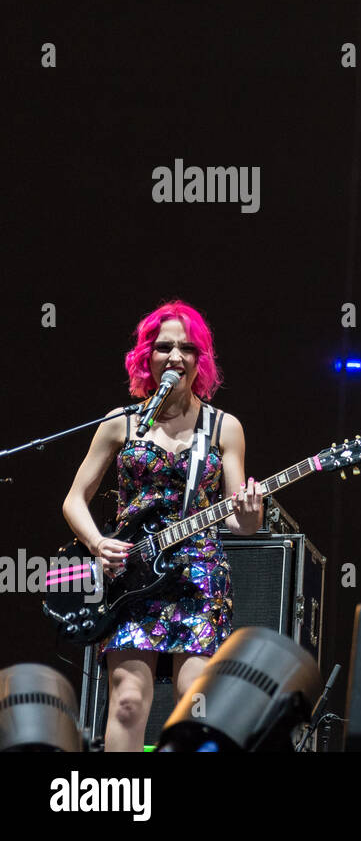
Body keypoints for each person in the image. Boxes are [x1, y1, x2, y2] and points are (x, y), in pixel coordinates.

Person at [61, 301, 262, 751]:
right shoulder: (122, 422)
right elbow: (74, 499)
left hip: (198, 574)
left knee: (194, 708)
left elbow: (237, 519)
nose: (175, 356)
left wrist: (249, 514)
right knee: (129, 702)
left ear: (200, 360)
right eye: (165, 346)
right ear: (146, 357)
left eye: (187, 348)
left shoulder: (223, 427)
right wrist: (97, 543)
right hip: (132, 574)